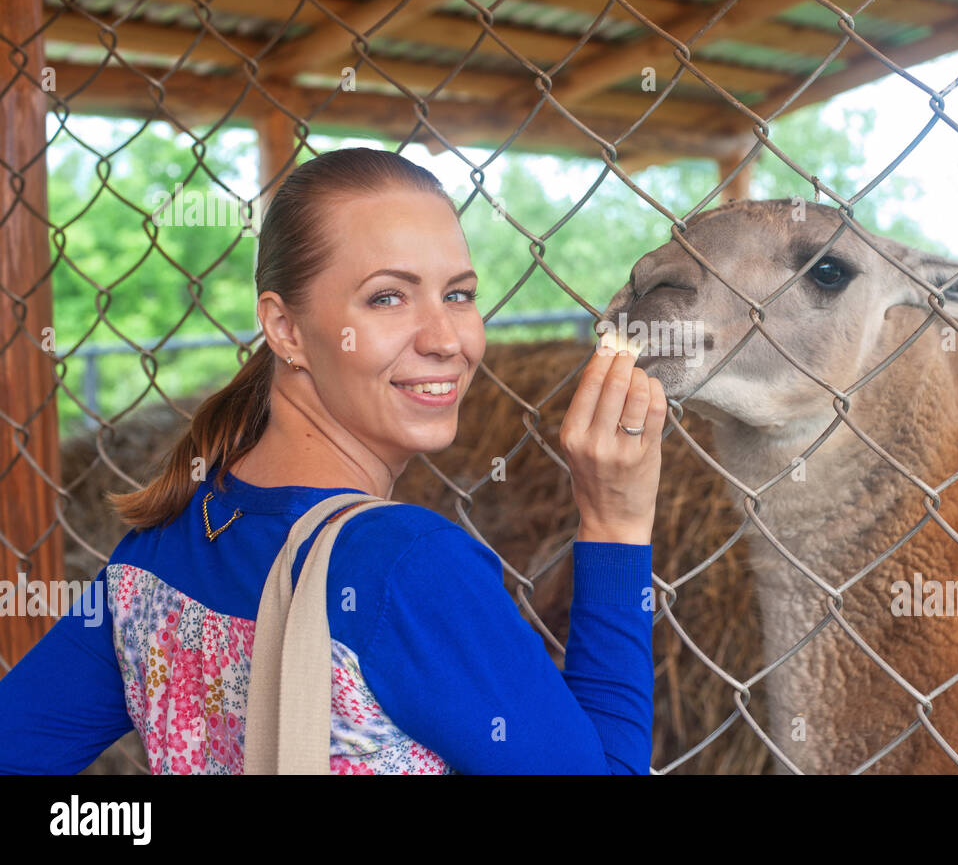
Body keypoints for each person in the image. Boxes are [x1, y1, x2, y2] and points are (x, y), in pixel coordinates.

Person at [0, 147, 666, 774]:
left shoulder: (157, 552)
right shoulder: (408, 566)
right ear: (286, 328)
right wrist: (616, 523)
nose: (446, 339)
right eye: (387, 297)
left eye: (458, 294)